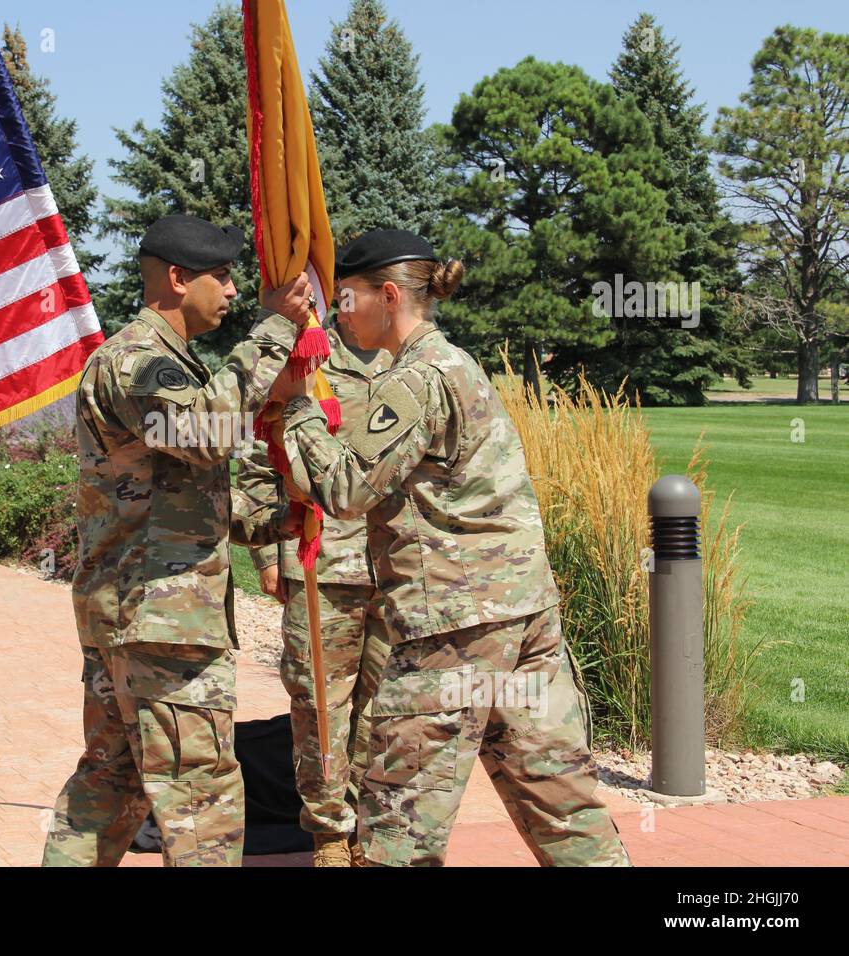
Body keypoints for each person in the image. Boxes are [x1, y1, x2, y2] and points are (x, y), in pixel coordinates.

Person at [269, 228, 631, 867]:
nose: (341, 317)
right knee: (560, 802)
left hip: (454, 628)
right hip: (523, 614)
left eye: (347, 301)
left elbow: (347, 488)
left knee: (396, 824)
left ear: (388, 295)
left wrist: (296, 407)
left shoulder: (418, 378)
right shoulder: (456, 364)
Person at [41, 214, 314, 867]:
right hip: (160, 622)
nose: (233, 288)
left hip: (144, 616)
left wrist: (286, 517)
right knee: (203, 808)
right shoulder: (138, 363)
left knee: (111, 788)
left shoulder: (175, 368)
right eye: (220, 274)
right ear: (176, 277)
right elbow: (206, 434)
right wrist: (275, 327)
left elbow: (197, 498)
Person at [235, 317, 390, 867]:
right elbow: (259, 464)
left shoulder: (411, 367)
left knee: (388, 708)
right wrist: (270, 553)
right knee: (319, 707)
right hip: (322, 564)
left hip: (397, 569)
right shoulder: (306, 364)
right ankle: (327, 834)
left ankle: (372, 828)